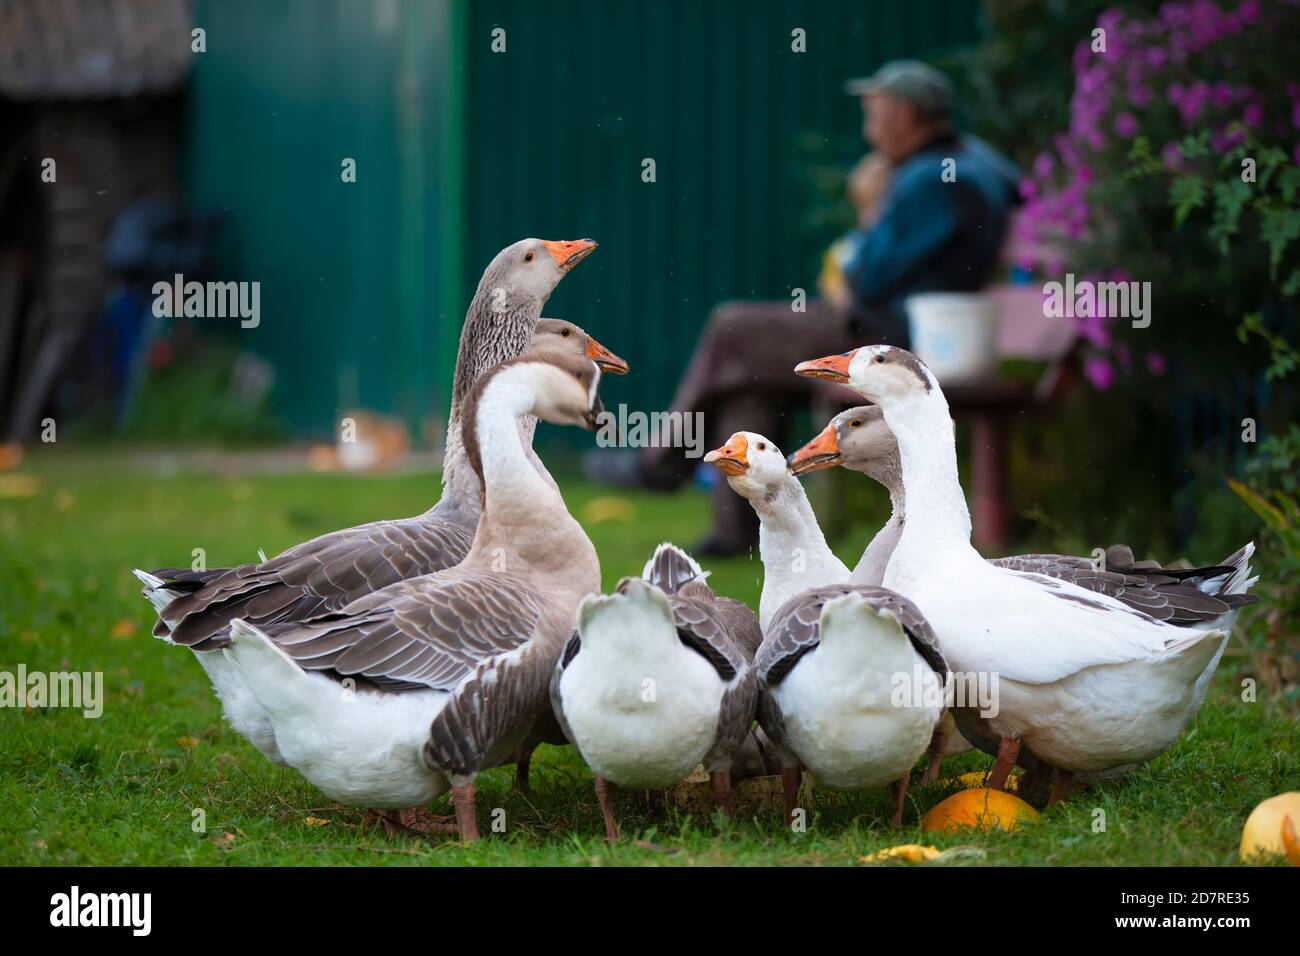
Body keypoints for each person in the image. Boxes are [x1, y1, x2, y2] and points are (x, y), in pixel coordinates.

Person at [589, 60, 1020, 556]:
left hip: (891, 339)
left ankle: (659, 465)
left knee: (732, 328)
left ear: (905, 114)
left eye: (875, 114)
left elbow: (866, 276)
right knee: (749, 375)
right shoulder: (977, 162)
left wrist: (870, 216)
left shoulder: (932, 179)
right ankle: (733, 534)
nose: (868, 128)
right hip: (925, 327)